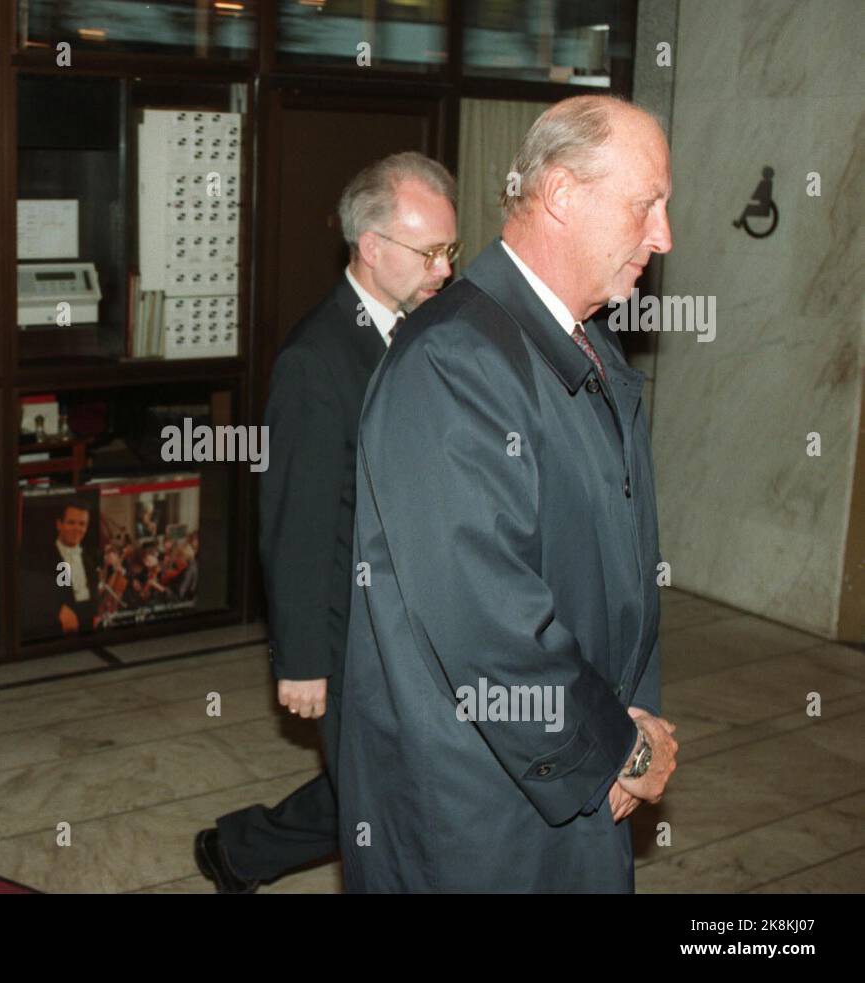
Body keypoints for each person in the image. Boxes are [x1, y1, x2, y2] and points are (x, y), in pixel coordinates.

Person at [339, 95, 679, 892]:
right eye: (646, 205)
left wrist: (630, 725)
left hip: (569, 773)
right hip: (483, 809)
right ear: (561, 194)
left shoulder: (585, 341)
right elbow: (486, 619)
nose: (663, 236)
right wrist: (617, 750)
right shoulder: (453, 360)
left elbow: (617, 573)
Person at [195, 152, 459, 892]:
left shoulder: (423, 329)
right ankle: (243, 851)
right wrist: (302, 658)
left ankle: (241, 849)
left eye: (450, 249)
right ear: (372, 246)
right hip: (350, 629)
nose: (445, 268)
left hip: (413, 616)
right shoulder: (316, 359)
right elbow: (296, 523)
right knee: (383, 796)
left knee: (379, 781)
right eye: (430, 252)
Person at [21, 499, 99, 640]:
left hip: (89, 629)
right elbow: (31, 594)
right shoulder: (41, 557)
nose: (77, 529)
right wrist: (57, 610)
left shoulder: (90, 558)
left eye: (82, 524)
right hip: (58, 629)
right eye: (71, 522)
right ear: (59, 524)